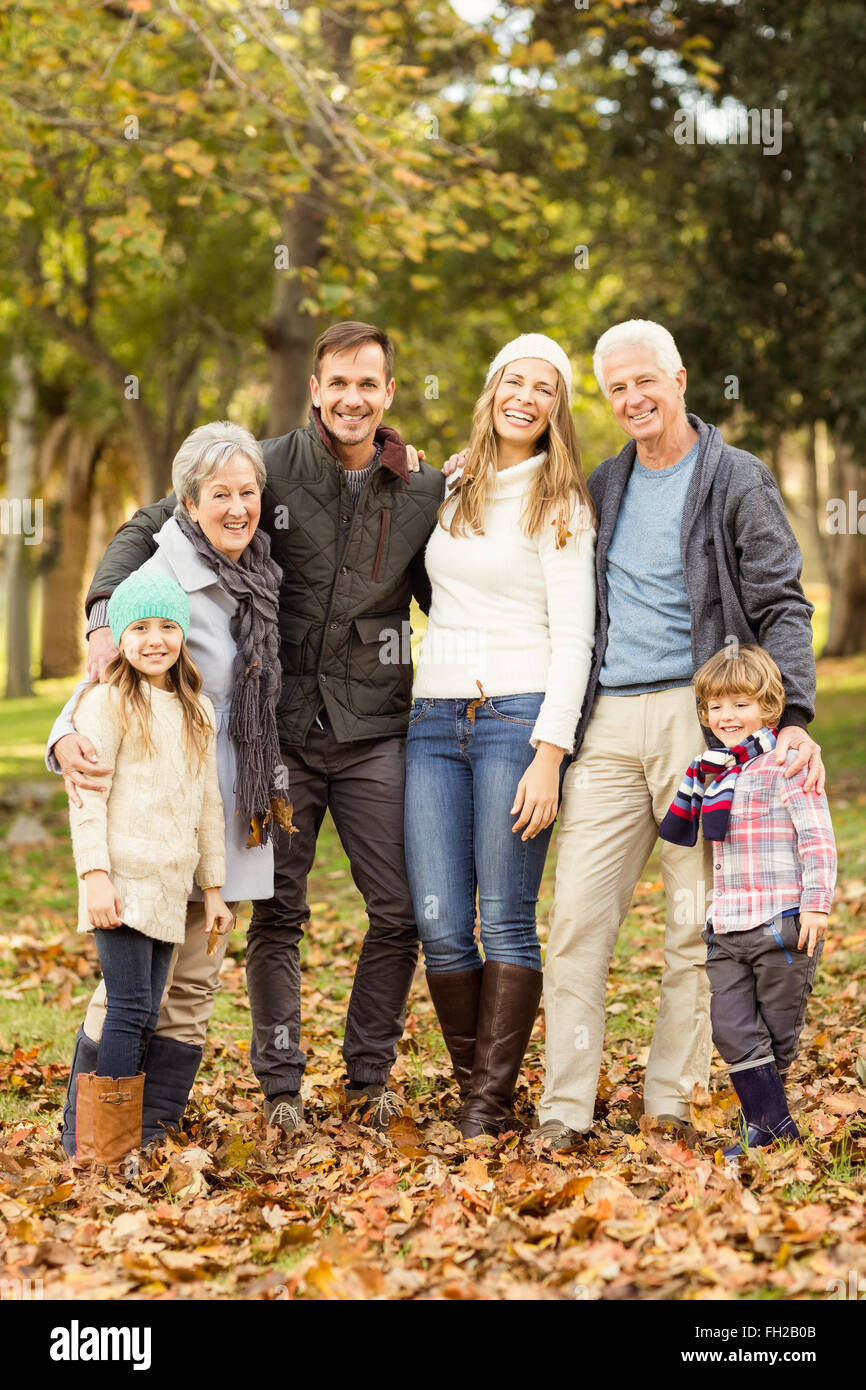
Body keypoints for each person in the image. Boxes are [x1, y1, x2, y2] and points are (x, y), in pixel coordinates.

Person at [55, 323, 445, 1136]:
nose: (352, 398)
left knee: (401, 910)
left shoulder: (420, 491)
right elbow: (146, 525)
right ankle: (281, 1089)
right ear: (314, 387)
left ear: (389, 394)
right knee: (277, 913)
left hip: (373, 725)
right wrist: (102, 617)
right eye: (338, 382)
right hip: (275, 737)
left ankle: (368, 1076)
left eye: (368, 384)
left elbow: (458, 584)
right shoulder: (260, 468)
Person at [530, 319, 824, 1147]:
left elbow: (781, 603)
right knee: (580, 921)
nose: (632, 398)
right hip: (611, 725)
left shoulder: (736, 479)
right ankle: (564, 1108)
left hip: (707, 729)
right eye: (616, 387)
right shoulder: (602, 484)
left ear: (680, 379)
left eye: (643, 382)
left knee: (698, 923)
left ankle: (670, 1099)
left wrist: (792, 716)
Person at [49, 422, 279, 1152]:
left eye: (248, 493)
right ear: (187, 501)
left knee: (191, 987)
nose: (238, 508)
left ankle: (151, 1132)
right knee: (126, 996)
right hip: (141, 825)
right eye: (220, 495)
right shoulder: (157, 572)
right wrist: (62, 736)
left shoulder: (266, 571)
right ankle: (88, 1135)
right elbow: (106, 677)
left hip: (222, 810)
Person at [404, 334, 596, 1138]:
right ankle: (475, 1084)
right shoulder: (450, 487)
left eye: (544, 388)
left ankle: (485, 1107)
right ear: (490, 391)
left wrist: (549, 755)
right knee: (441, 919)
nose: (526, 396)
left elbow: (574, 637)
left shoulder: (561, 505)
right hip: (431, 719)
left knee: (506, 918)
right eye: (514, 381)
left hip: (516, 718)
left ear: (556, 410)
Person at [66, 571, 232, 1166]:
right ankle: (103, 1151)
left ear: (183, 635)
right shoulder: (105, 702)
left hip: (170, 885)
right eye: (138, 628)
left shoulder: (197, 710)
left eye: (167, 626)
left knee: (147, 1010)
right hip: (120, 880)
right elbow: (86, 798)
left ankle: (116, 1138)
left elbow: (208, 802)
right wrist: (95, 877)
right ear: (120, 637)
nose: (154, 639)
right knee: (131, 1006)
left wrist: (213, 888)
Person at [658, 645, 836, 1157]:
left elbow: (817, 838)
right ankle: (773, 1125)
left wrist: (816, 904)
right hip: (728, 925)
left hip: (783, 921)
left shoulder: (787, 762)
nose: (727, 717)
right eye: (716, 706)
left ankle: (763, 1125)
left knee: (778, 1031)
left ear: (770, 707)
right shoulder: (708, 771)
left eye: (740, 704)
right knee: (731, 1028)